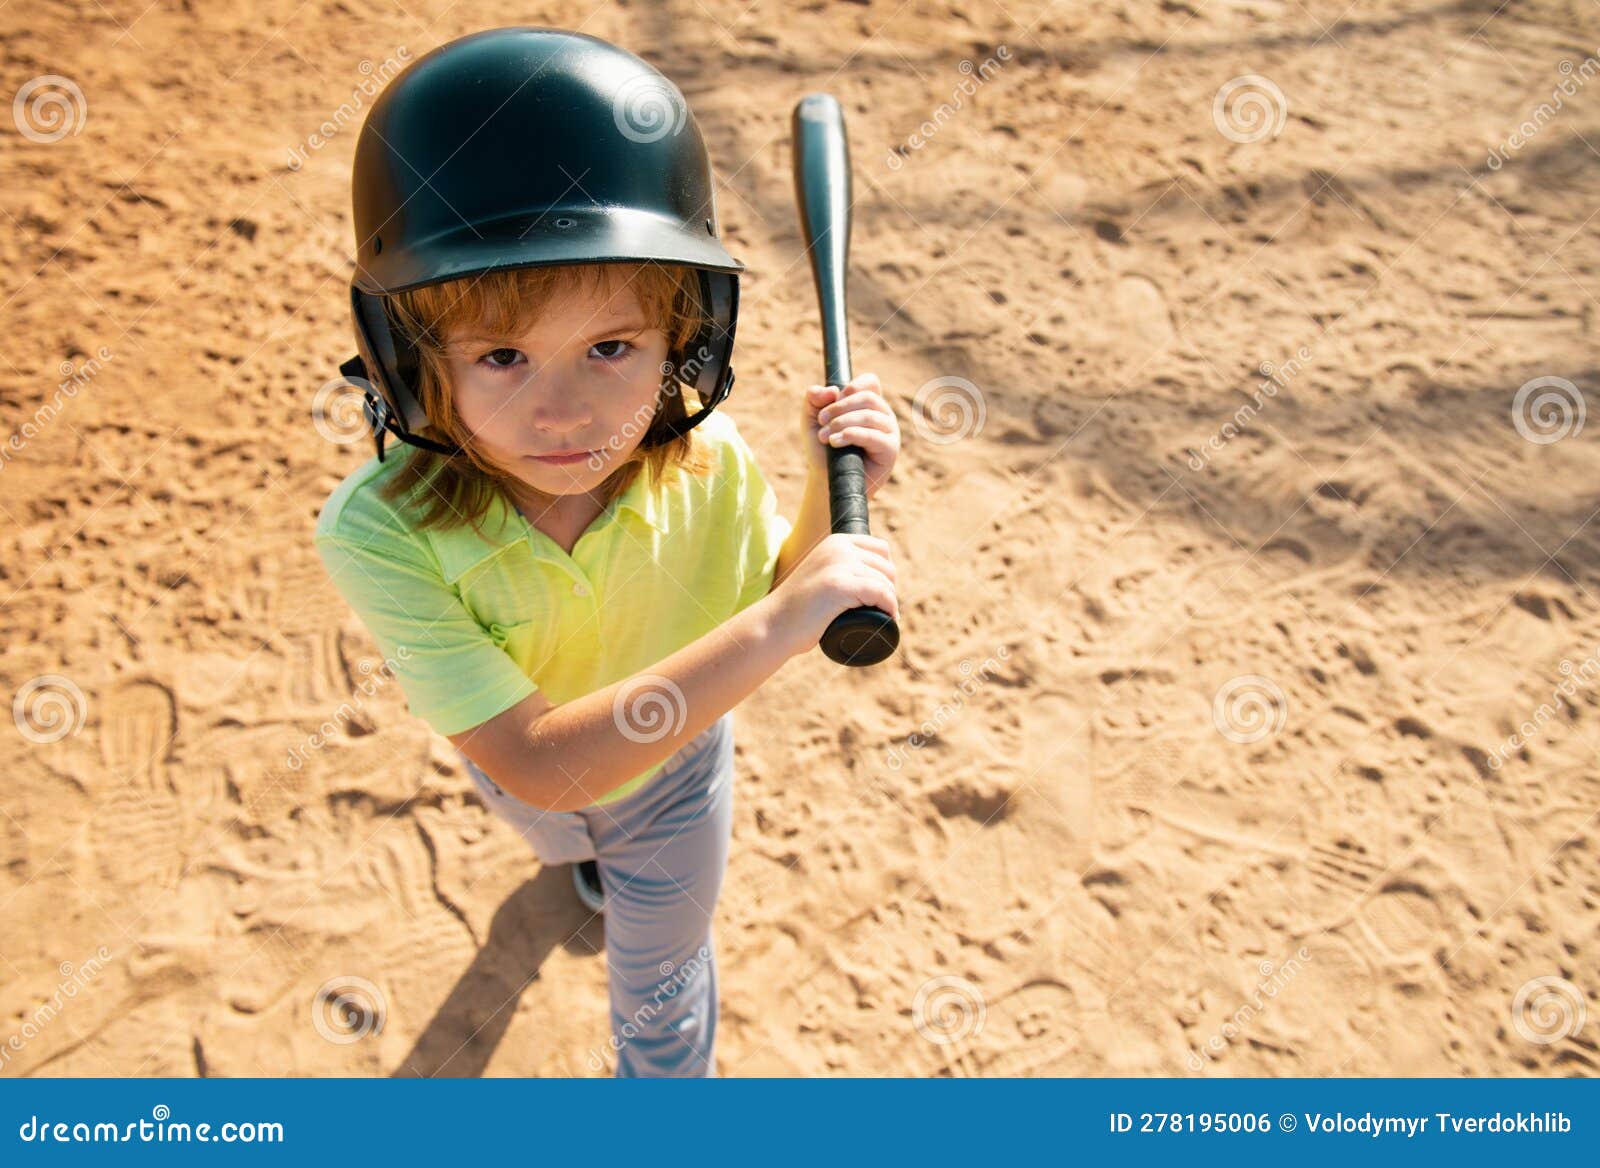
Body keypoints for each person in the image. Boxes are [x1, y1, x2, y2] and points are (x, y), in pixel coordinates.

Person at [311, 27, 901, 1078]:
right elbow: (538, 761)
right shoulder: (382, 529)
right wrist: (774, 622)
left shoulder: (704, 462)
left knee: (660, 988)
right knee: (560, 830)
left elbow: (776, 594)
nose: (563, 411)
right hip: (519, 765)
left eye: (610, 348)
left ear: (685, 338)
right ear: (408, 361)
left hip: (675, 775)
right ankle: (584, 866)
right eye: (501, 355)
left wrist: (831, 485)